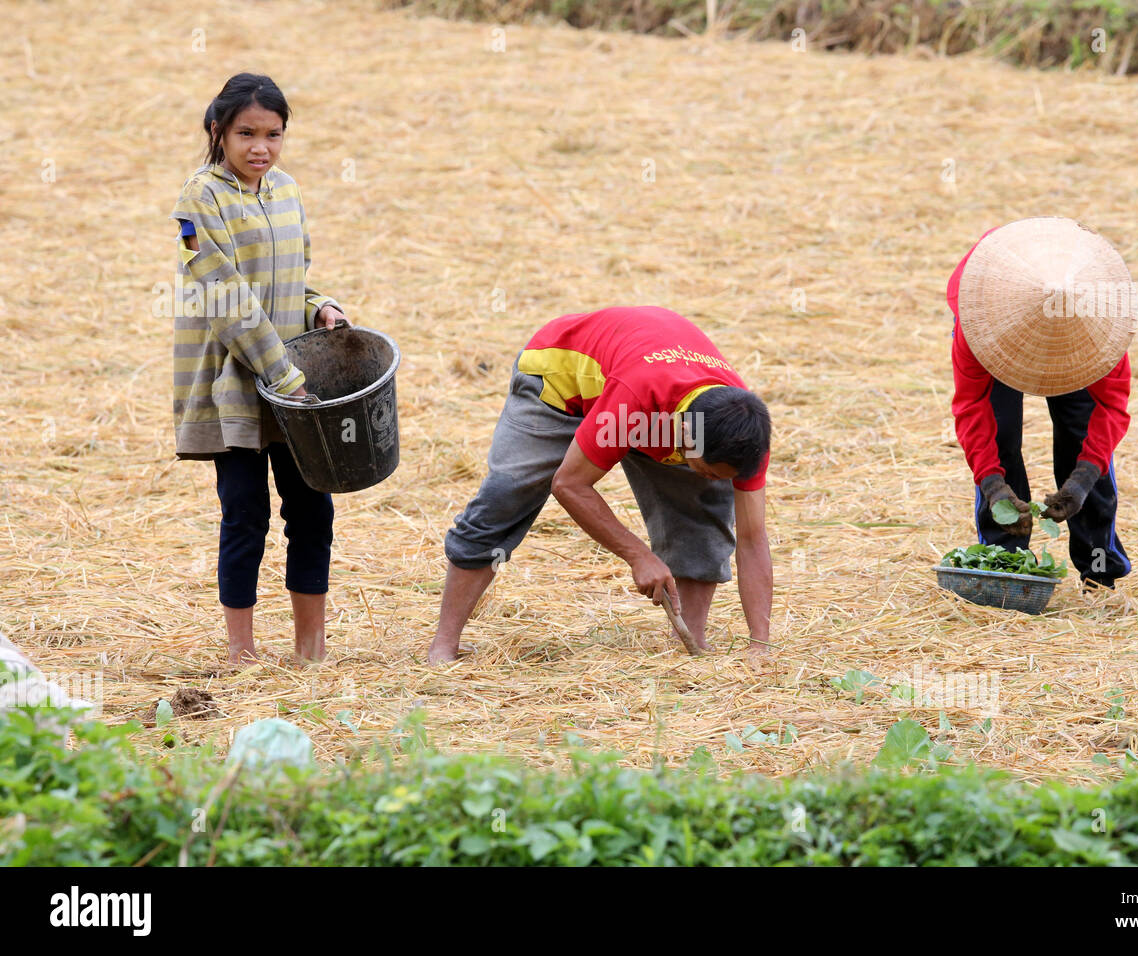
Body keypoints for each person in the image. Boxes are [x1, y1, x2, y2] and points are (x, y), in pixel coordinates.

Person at [428, 306, 773, 664]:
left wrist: (760, 646)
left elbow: (752, 537)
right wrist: (638, 555)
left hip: (644, 399)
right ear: (685, 435)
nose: (718, 479)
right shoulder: (635, 403)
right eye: (711, 469)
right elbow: (569, 485)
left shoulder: (743, 430)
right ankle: (444, 646)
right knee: (506, 494)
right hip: (561, 385)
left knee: (705, 506)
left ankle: (687, 644)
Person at [171, 73, 347, 663]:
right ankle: (241, 654)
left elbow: (293, 278)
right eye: (246, 133)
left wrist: (318, 305)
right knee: (245, 515)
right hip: (237, 387)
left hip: (291, 385)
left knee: (312, 511)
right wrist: (283, 375)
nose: (260, 148)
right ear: (218, 130)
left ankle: (310, 651)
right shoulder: (199, 202)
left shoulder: (287, 190)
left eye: (273, 134)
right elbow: (227, 299)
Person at [948, 217, 1138, 590]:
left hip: (1078, 328)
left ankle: (1099, 571)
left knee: (1081, 436)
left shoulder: (1102, 324)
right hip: (999, 324)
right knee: (1000, 434)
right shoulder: (979, 324)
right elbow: (974, 409)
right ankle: (1007, 564)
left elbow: (1110, 409)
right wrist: (992, 485)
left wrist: (1082, 481)